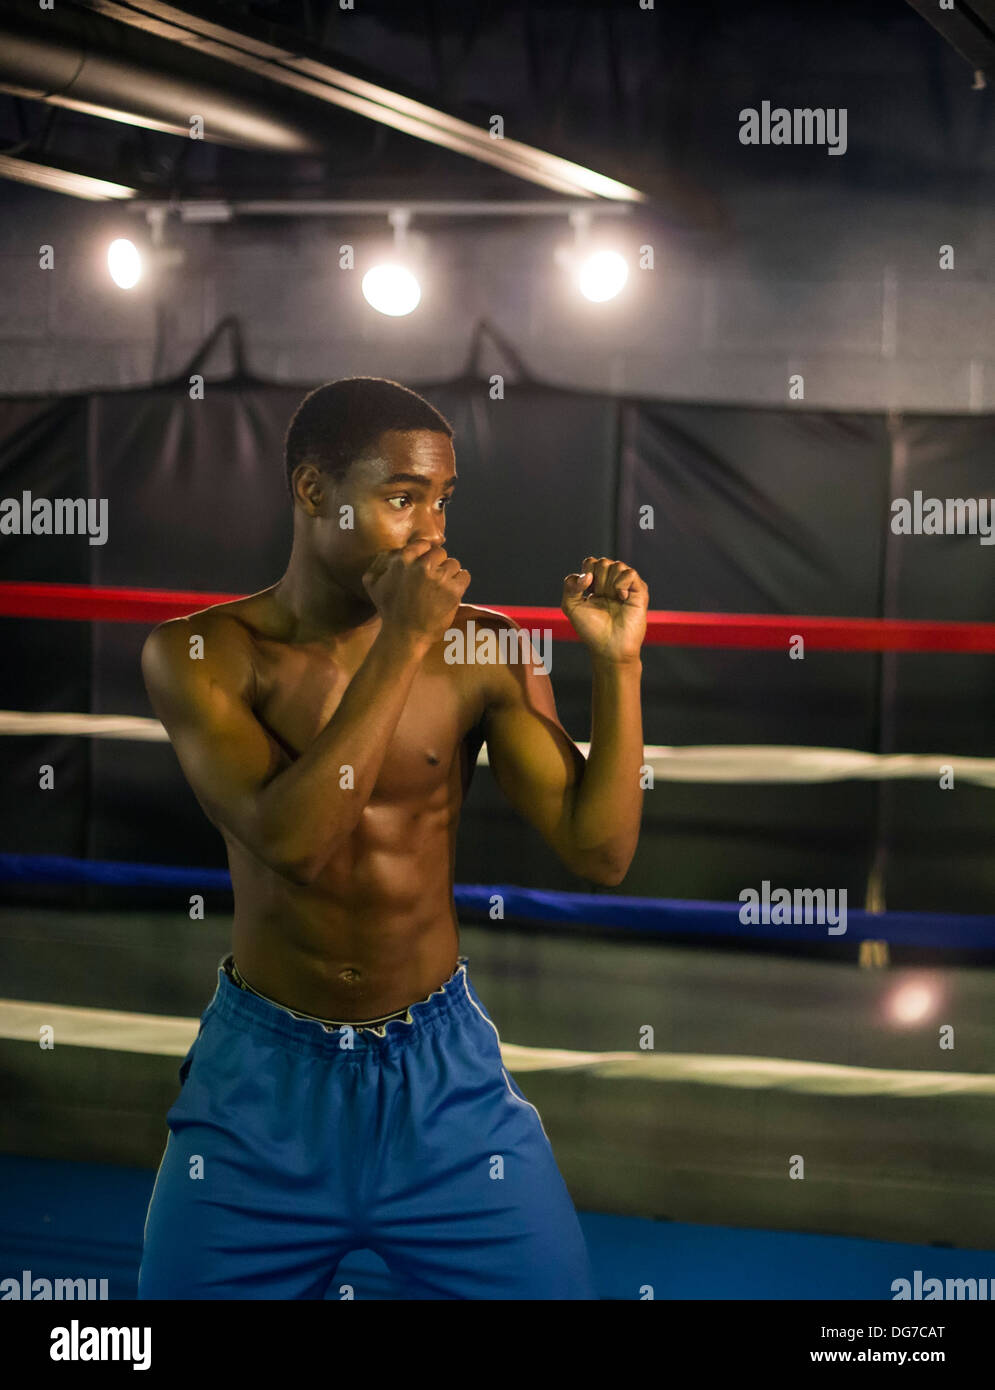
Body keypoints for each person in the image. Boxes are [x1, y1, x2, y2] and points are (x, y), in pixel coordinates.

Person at [137, 376, 648, 1300]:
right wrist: (402, 645)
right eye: (401, 498)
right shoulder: (205, 654)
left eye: (442, 501)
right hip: (262, 1088)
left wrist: (617, 666)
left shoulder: (482, 647)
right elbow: (295, 844)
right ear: (311, 491)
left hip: (441, 1081)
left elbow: (597, 852)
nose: (431, 531)